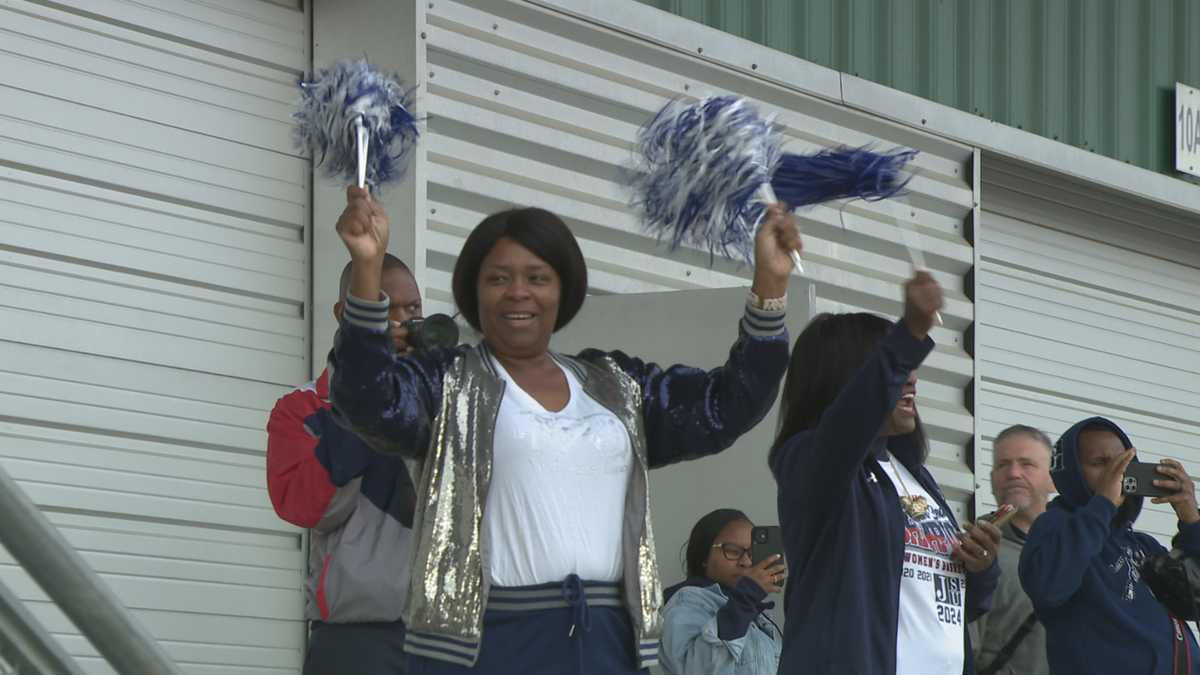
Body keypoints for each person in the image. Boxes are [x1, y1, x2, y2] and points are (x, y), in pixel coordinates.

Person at [327, 186, 798, 674]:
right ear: (473, 290)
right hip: (490, 645)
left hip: (609, 643)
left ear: (563, 289)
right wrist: (366, 270)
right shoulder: (446, 382)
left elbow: (726, 406)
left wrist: (769, 284)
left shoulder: (615, 386)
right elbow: (367, 399)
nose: (518, 292)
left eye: (538, 277)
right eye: (498, 278)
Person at [769, 273, 1002, 675]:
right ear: (848, 382)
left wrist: (981, 568)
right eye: (897, 367)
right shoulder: (811, 463)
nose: (912, 377)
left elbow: (949, 606)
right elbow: (846, 428)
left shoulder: (916, 478)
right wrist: (909, 334)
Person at [266, 254, 422, 675]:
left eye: (412, 310)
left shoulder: (440, 394)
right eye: (384, 310)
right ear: (344, 313)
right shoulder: (302, 408)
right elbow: (305, 508)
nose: (402, 323)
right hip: (358, 638)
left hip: (451, 636)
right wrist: (366, 401)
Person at [1018, 417, 1200, 674]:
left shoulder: (1142, 544)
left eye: (1123, 461)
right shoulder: (1054, 526)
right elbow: (1048, 587)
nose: (1116, 471)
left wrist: (1191, 519)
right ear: (1073, 472)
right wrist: (1102, 504)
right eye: (1100, 463)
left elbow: (1193, 599)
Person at [970, 424, 1055, 675]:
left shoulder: (1076, 552)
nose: (1014, 473)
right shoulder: (974, 553)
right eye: (1003, 465)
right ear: (992, 478)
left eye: (1027, 464)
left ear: (1053, 479)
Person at [659, 509, 785, 675]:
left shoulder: (759, 615)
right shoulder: (687, 600)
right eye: (733, 551)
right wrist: (745, 599)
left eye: (752, 553)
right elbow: (696, 670)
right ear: (704, 556)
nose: (746, 562)